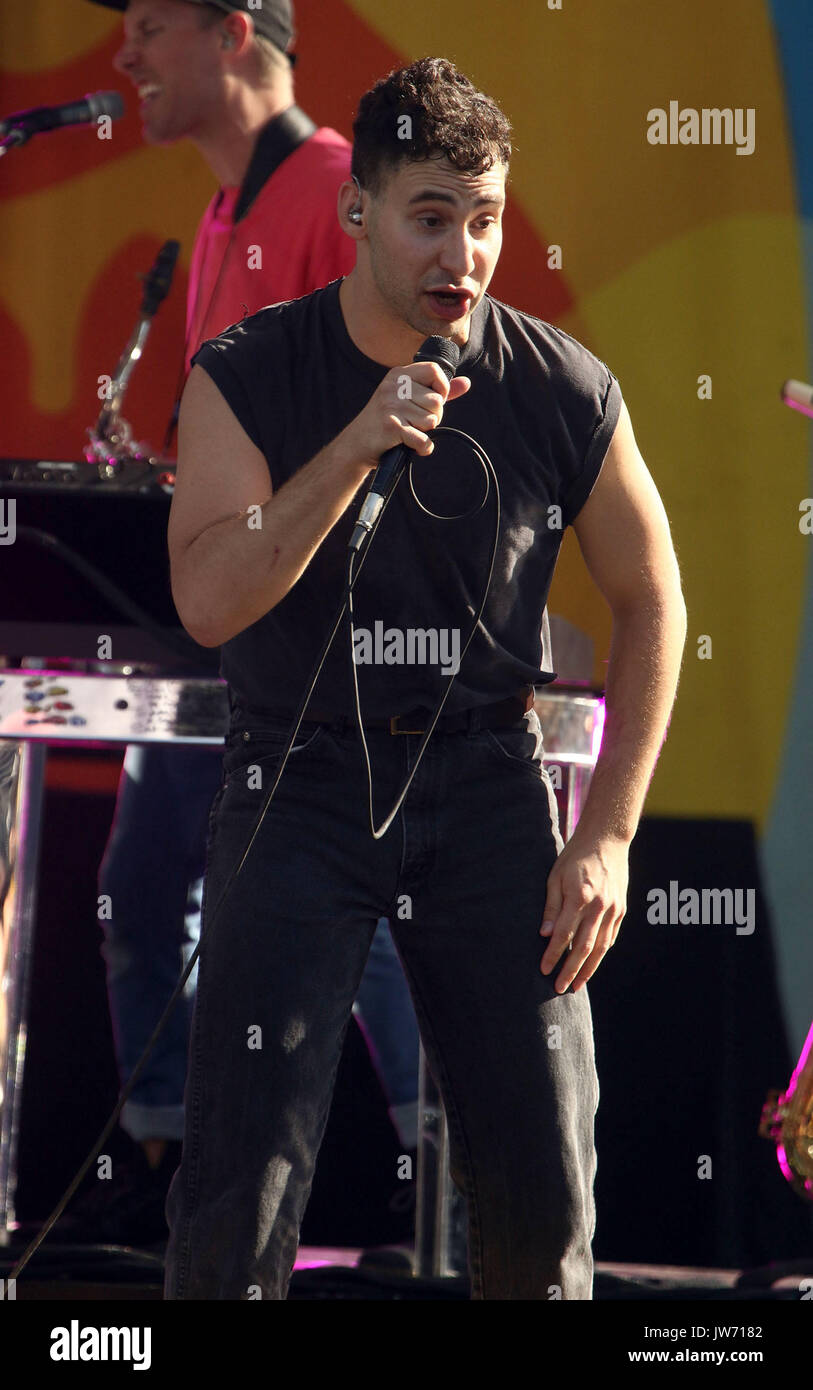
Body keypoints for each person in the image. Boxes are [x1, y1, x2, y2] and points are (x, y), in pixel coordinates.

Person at [163, 55, 688, 1300]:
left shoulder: (560, 386)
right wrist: (354, 442)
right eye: (431, 216)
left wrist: (607, 836)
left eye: (486, 217)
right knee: (245, 1180)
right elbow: (207, 600)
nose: (464, 251)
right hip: (298, 772)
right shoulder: (250, 372)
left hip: (486, 778)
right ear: (361, 214)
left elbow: (654, 597)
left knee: (545, 1185)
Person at [73, 0, 419, 1246]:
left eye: (149, 25)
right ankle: (188, 1182)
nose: (121, 57)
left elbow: (399, 419)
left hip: (328, 637)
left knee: (348, 913)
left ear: (231, 33)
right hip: (228, 626)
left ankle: (438, 1190)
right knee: (142, 877)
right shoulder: (216, 217)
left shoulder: (338, 188)